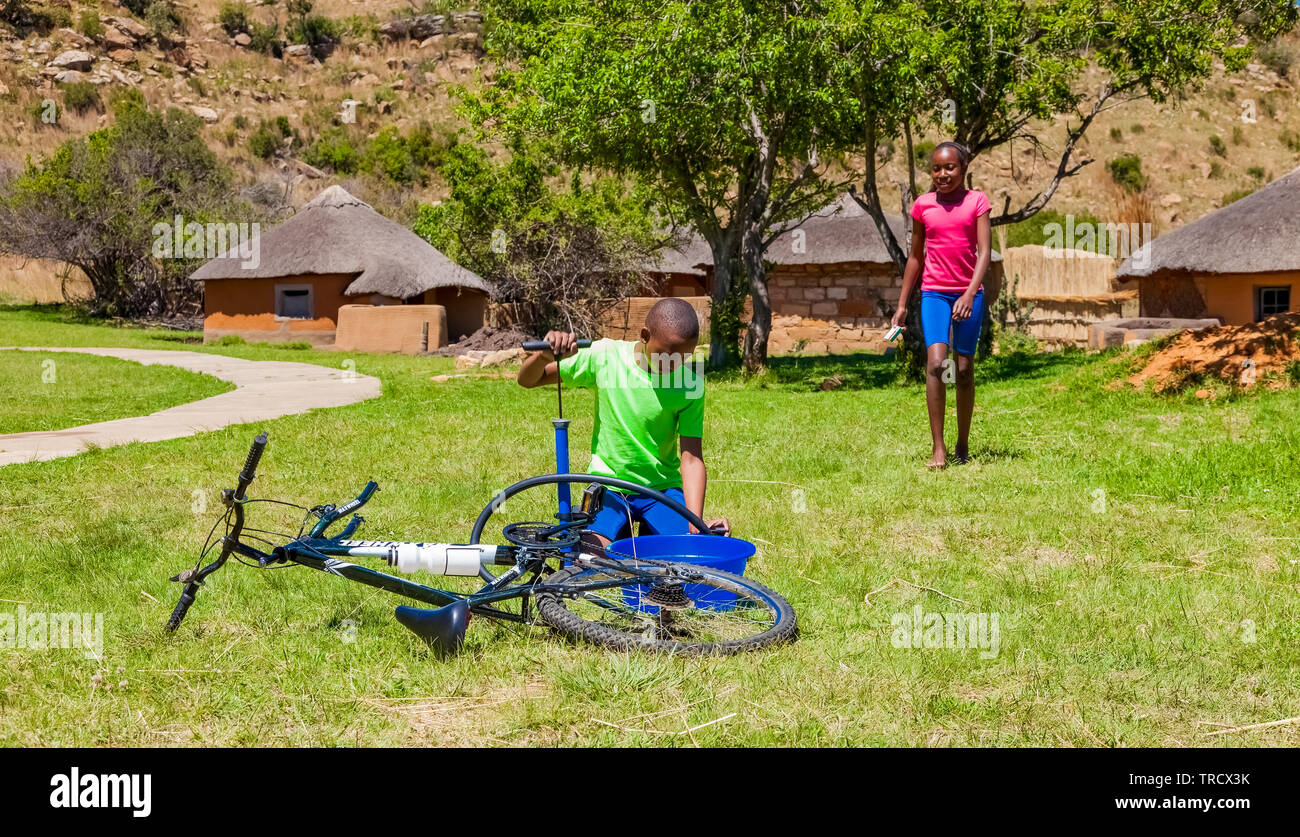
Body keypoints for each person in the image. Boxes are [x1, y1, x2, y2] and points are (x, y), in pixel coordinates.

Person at [516, 298, 729, 549]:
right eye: (665, 355)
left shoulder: (689, 384)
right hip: (609, 485)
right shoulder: (606, 356)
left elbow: (691, 458)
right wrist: (543, 357)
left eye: (684, 357)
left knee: (687, 556)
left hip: (661, 490)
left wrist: (696, 523)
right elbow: (529, 380)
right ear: (645, 336)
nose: (672, 365)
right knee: (591, 556)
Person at [890, 141, 992, 469]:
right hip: (934, 293)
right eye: (936, 168)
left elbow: (985, 253)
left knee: (962, 369)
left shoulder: (977, 202)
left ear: (963, 169)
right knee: (936, 363)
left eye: (950, 167)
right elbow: (915, 257)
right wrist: (902, 304)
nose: (942, 174)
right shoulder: (923, 205)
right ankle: (939, 447)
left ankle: (963, 443)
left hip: (969, 294)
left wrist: (969, 294)